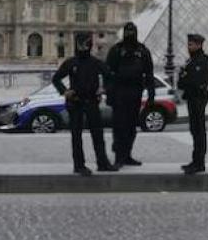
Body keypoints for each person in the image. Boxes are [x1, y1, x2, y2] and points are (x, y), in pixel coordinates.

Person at [51, 33, 117, 176]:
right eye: (81, 44)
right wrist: (64, 91)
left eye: (86, 44)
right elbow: (56, 79)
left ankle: (102, 162)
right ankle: (79, 165)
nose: (83, 47)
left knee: (97, 134)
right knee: (77, 135)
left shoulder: (95, 62)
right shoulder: (71, 62)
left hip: (91, 100)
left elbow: (110, 77)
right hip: (75, 101)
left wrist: (103, 89)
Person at [105, 21, 155, 168]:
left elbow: (149, 74)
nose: (129, 35)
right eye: (127, 32)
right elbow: (108, 74)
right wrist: (109, 94)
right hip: (119, 92)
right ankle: (119, 157)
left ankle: (127, 155)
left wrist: (151, 95)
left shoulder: (143, 50)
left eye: (132, 32)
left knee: (132, 126)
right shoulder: (116, 50)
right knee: (119, 126)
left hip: (135, 92)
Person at [177, 33, 208, 175]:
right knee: (194, 130)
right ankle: (195, 161)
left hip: (198, 98)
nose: (188, 47)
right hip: (192, 97)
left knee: (199, 131)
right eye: (188, 44)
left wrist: (186, 80)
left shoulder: (204, 60)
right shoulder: (190, 61)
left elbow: (196, 81)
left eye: (191, 44)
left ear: (199, 45)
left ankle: (199, 162)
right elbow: (181, 82)